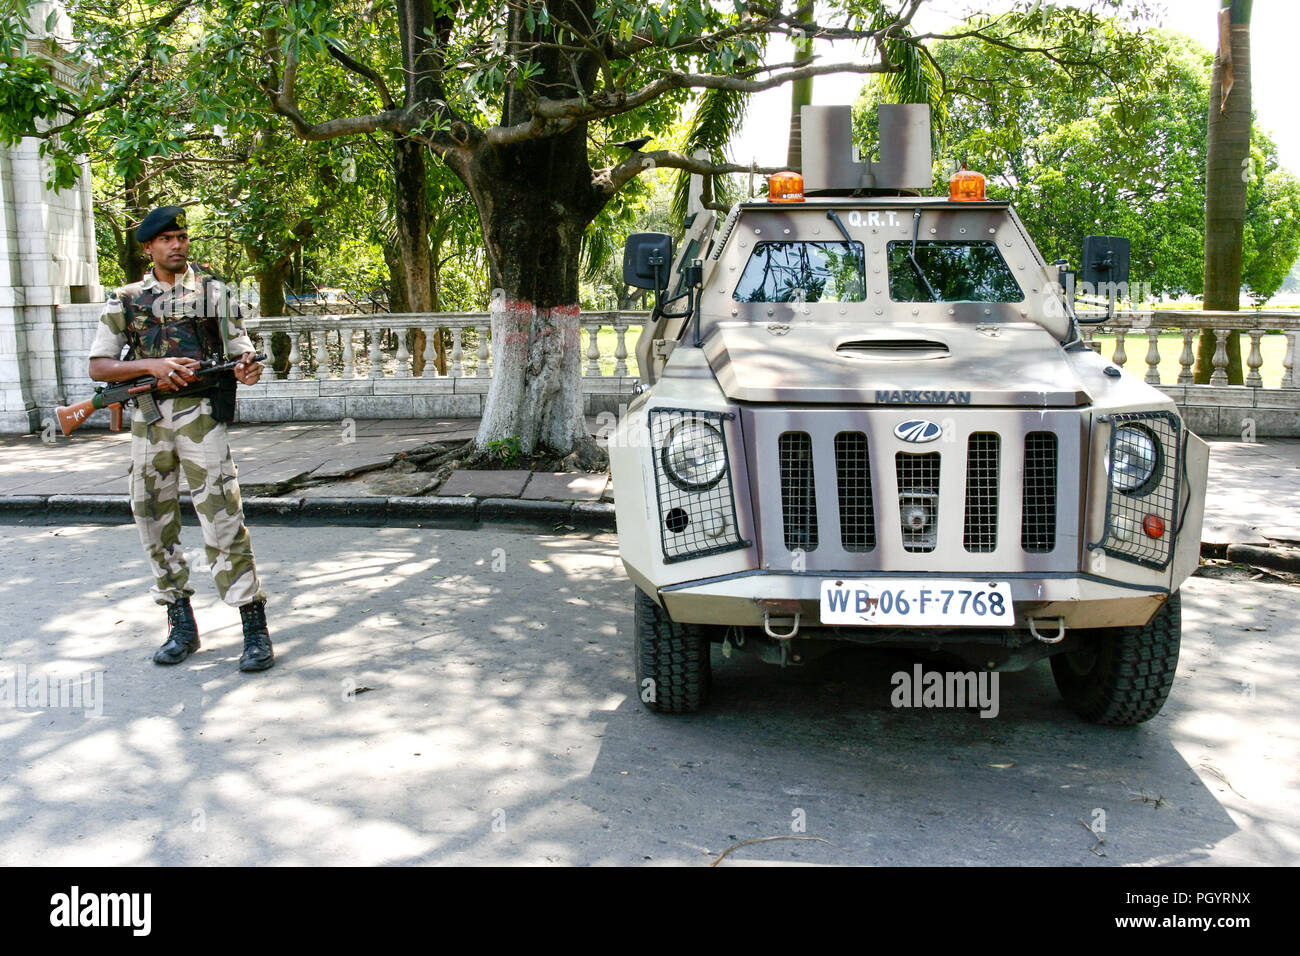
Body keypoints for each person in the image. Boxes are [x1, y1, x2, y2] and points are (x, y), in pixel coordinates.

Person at [87, 205, 274, 672]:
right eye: (166, 239)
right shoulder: (125, 298)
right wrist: (152, 366)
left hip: (201, 416)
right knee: (151, 515)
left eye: (182, 236)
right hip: (149, 423)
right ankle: (180, 623)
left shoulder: (215, 293)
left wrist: (247, 370)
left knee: (222, 514)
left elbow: (241, 353)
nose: (177, 245)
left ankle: (253, 625)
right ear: (148, 247)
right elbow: (100, 367)